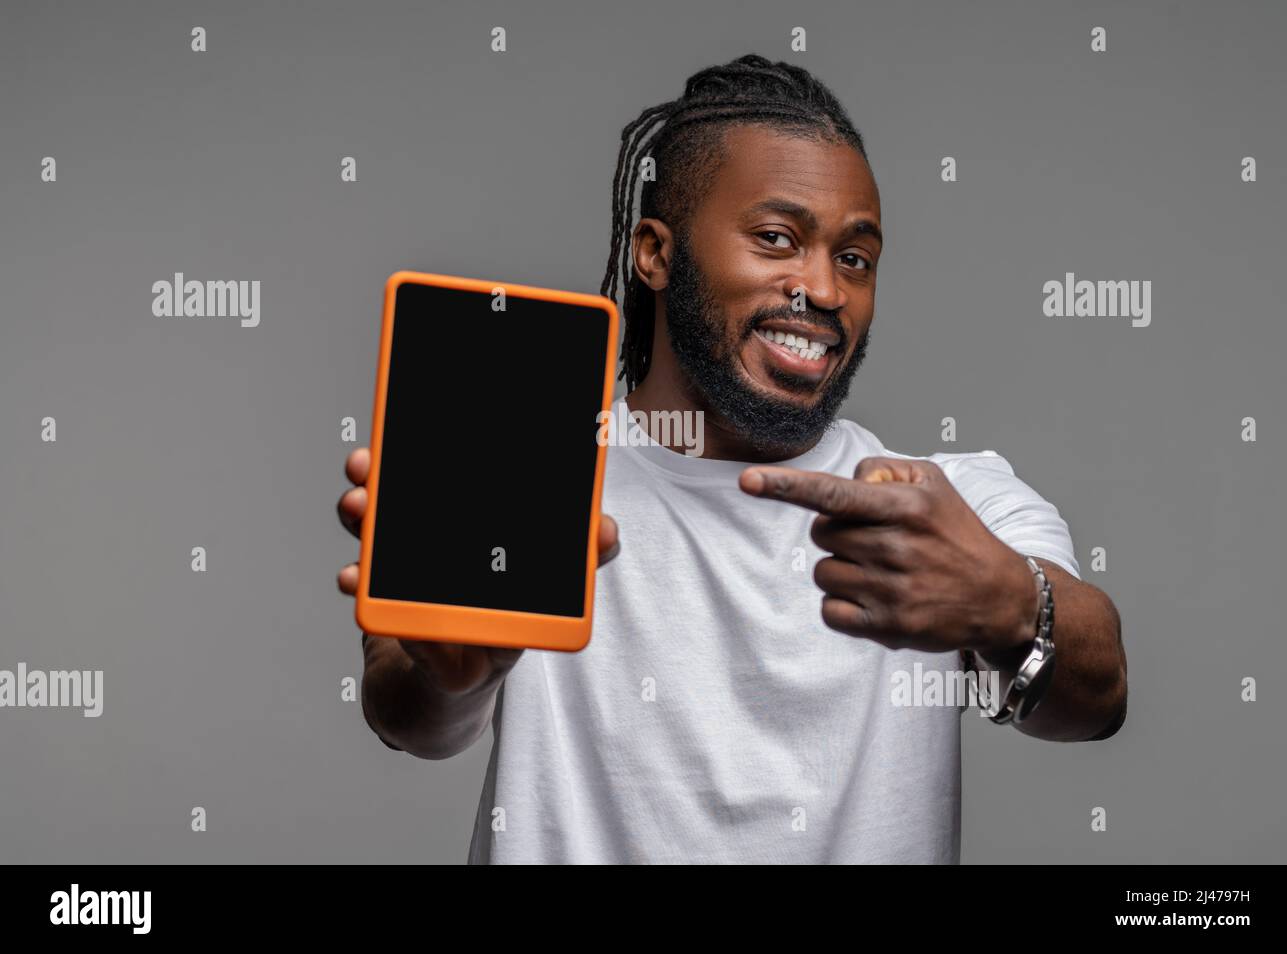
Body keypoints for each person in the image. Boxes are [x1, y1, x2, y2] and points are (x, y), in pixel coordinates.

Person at [335, 54, 1127, 864]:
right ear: (655, 253)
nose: (821, 289)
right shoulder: (525, 475)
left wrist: (1011, 608)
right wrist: (452, 675)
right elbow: (409, 717)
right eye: (778, 239)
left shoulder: (943, 506)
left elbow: (1098, 694)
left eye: (854, 258)